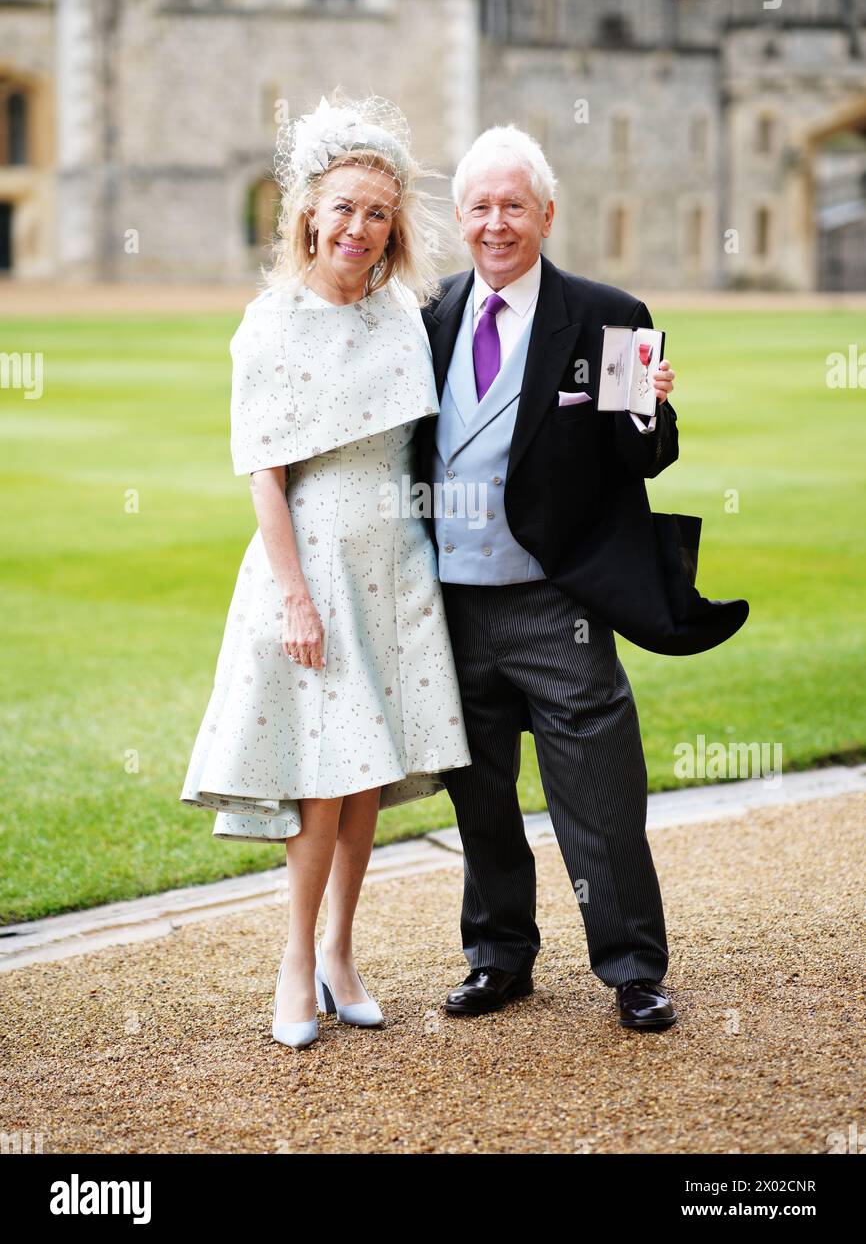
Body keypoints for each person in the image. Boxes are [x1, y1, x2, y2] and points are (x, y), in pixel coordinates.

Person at [413, 124, 747, 1031]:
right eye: (479, 206)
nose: (495, 224)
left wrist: (650, 413)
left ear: (547, 214)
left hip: (555, 600)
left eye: (513, 206)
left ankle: (634, 967)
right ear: (459, 217)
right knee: (479, 796)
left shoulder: (608, 316)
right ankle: (497, 957)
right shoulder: (431, 312)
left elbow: (643, 458)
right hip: (452, 604)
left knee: (599, 795)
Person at [180, 93, 472, 1049]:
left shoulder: (402, 316)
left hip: (399, 566)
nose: (358, 227)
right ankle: (295, 960)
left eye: (377, 212)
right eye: (343, 206)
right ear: (309, 207)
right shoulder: (270, 323)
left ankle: (344, 950)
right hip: (312, 566)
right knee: (321, 778)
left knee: (365, 777)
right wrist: (296, 599)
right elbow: (265, 472)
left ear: (394, 227)